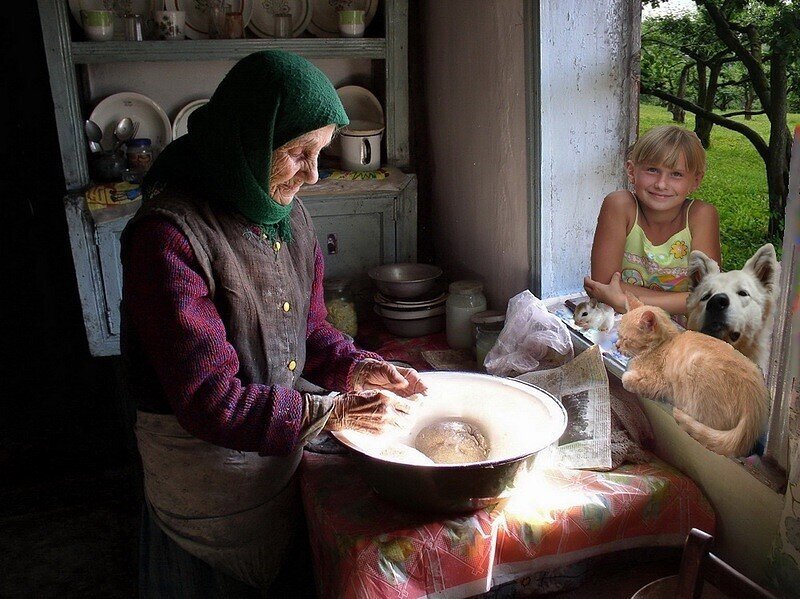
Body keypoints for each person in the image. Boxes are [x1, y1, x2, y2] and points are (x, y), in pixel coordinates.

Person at [120, 50, 427, 596]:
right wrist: (332, 413)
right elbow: (210, 400)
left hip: (274, 458)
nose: (312, 175)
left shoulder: (287, 214)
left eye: (321, 153)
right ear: (248, 139)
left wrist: (359, 369)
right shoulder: (168, 237)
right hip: (206, 485)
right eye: (296, 153)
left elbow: (310, 332)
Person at [583, 125, 721, 316]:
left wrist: (624, 301)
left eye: (676, 174)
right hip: (620, 327)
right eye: (652, 170)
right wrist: (682, 301)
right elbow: (604, 285)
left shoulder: (700, 216)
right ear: (632, 171)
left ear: (695, 181)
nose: (661, 184)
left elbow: (708, 295)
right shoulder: (620, 206)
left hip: (682, 335)